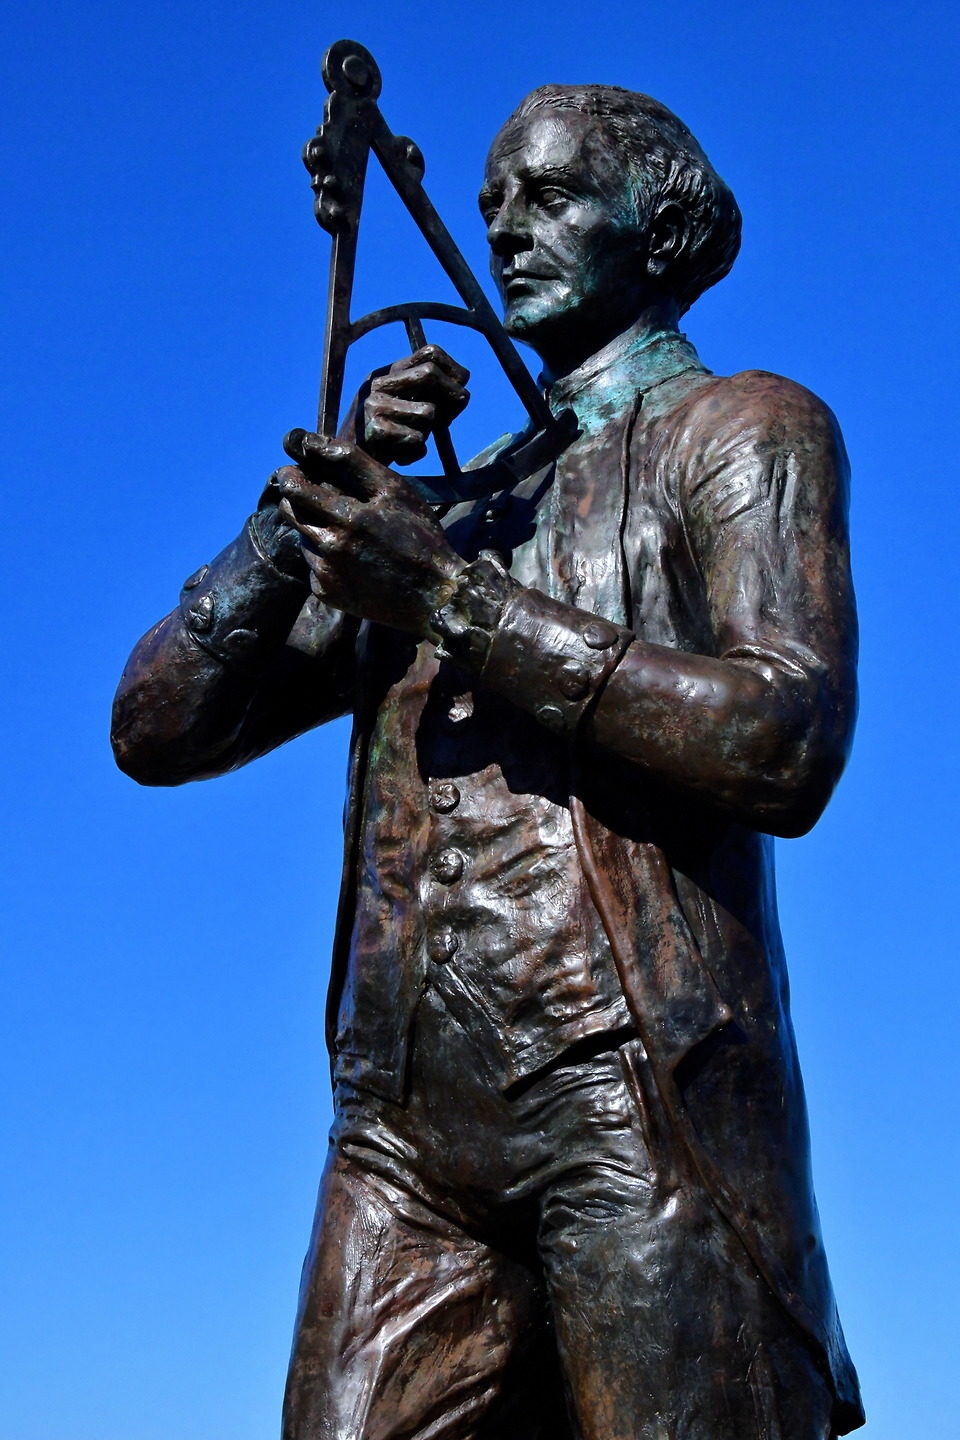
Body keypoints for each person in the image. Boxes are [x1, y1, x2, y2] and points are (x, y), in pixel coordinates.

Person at [112, 83, 863, 1440]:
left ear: (663, 222)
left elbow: (784, 737)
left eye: (554, 194)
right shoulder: (450, 507)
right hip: (403, 1134)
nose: (510, 227)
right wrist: (292, 522)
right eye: (494, 203)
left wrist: (453, 604)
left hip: (638, 1101)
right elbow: (156, 731)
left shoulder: (743, 429)